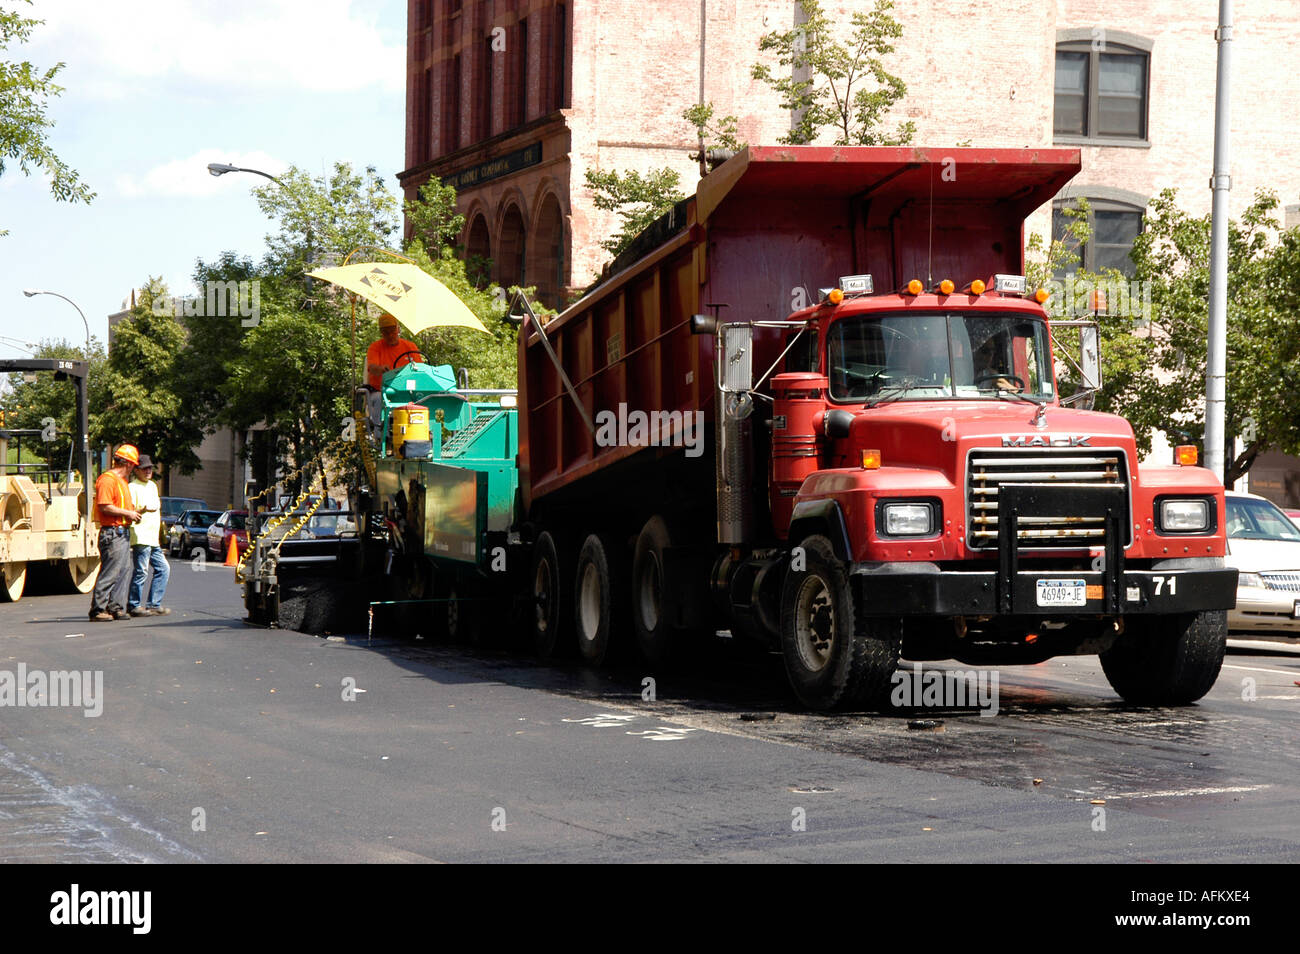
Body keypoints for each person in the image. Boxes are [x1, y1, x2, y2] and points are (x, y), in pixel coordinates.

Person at [89, 444, 142, 622]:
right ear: (127, 464)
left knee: (124, 571)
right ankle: (98, 609)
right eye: (133, 465)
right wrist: (128, 513)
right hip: (113, 533)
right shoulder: (108, 480)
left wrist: (132, 511)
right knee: (111, 572)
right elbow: (104, 506)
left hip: (121, 532)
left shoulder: (122, 482)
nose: (134, 469)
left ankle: (116, 607)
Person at [363, 312, 422, 435]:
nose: (390, 335)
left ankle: (421, 432)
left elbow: (420, 369)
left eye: (392, 331)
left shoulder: (409, 346)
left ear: (398, 329)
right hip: (382, 391)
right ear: (381, 333)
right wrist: (381, 369)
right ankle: (379, 433)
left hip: (407, 392)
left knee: (423, 397)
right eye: (386, 332)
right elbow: (372, 368)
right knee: (378, 398)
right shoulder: (375, 347)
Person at [127, 454, 171, 616]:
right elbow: (130, 511)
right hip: (140, 535)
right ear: (136, 470)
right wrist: (143, 509)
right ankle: (134, 605)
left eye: (150, 468)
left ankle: (153, 604)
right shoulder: (132, 487)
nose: (148, 471)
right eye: (144, 468)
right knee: (141, 571)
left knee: (163, 568)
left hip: (153, 538)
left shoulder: (153, 486)